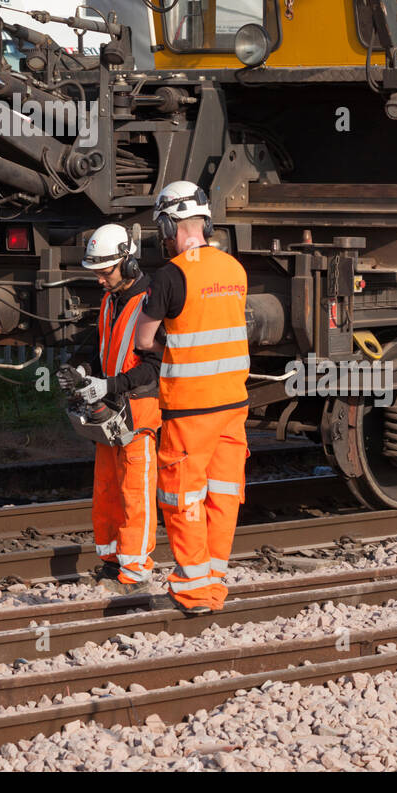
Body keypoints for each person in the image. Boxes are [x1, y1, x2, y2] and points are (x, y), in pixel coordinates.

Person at [134, 181, 250, 615]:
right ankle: (214, 580)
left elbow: (146, 340)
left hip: (189, 409)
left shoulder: (170, 276)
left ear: (169, 223)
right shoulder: (234, 269)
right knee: (223, 493)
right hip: (233, 405)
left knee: (182, 496)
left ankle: (194, 590)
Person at [58, 224, 161, 588]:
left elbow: (155, 367)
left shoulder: (149, 303)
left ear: (129, 264)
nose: (101, 280)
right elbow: (100, 348)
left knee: (135, 492)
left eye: (106, 272)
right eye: (97, 273)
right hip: (110, 410)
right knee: (107, 490)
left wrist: (109, 384)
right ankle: (112, 563)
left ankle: (134, 573)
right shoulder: (111, 301)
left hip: (138, 409)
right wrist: (81, 369)